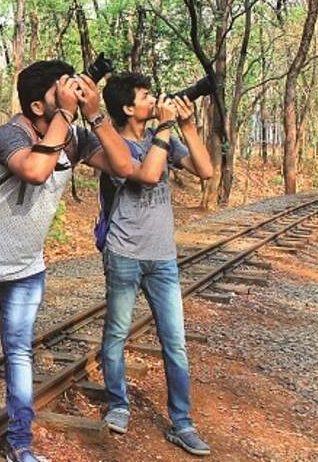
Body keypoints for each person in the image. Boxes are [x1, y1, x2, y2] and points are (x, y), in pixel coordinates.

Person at [0, 61, 135, 462]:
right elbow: (35, 170)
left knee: (19, 352)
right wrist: (67, 113)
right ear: (37, 105)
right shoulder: (13, 133)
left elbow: (124, 166)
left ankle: (20, 443)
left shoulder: (75, 138)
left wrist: (95, 114)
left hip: (26, 267)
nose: (70, 95)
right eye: (60, 91)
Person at [97, 72, 214, 456]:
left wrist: (188, 126)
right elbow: (146, 176)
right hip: (124, 253)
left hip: (163, 257)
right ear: (128, 108)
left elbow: (206, 171)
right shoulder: (114, 144)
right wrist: (165, 126)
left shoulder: (161, 137)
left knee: (175, 343)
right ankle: (118, 405)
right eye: (146, 96)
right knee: (116, 335)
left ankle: (182, 422)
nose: (153, 99)